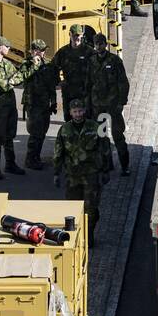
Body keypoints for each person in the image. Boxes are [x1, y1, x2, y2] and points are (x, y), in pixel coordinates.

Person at [53, 98, 112, 233]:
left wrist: (106, 170)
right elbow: (58, 152)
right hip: (72, 176)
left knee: (91, 209)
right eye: (75, 112)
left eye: (80, 111)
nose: (78, 114)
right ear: (70, 113)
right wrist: (56, 173)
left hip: (91, 175)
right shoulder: (64, 130)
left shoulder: (96, 127)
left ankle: (89, 234)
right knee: (72, 208)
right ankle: (76, 235)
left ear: (84, 111)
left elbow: (105, 149)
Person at [0, 35, 34, 178]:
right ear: (0, 48)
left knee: (9, 136)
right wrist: (13, 80)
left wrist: (16, 77)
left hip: (10, 105)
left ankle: (10, 164)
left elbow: (17, 76)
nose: (9, 48)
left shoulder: (6, 63)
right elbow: (4, 85)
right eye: (7, 46)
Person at [89, 32, 131, 175]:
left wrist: (122, 102)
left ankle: (125, 166)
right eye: (96, 44)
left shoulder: (114, 61)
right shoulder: (92, 61)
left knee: (118, 136)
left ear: (105, 44)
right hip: (98, 106)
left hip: (113, 105)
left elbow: (123, 83)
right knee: (101, 136)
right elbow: (88, 82)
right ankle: (106, 165)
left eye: (101, 43)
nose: (99, 46)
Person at [22, 39, 59, 170]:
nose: (44, 53)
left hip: (44, 104)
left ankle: (36, 157)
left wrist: (53, 102)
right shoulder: (27, 64)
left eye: (44, 50)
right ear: (34, 51)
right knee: (35, 133)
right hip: (33, 105)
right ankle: (30, 159)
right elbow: (24, 77)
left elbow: (51, 85)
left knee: (42, 132)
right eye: (41, 50)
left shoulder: (46, 64)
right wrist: (34, 64)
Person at [53, 24, 92, 121]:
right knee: (69, 119)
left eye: (78, 35)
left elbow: (98, 68)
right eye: (74, 35)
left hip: (85, 92)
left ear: (82, 35)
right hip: (68, 92)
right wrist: (58, 82)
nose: (76, 38)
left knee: (86, 118)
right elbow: (53, 68)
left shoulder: (89, 52)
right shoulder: (63, 52)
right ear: (69, 34)